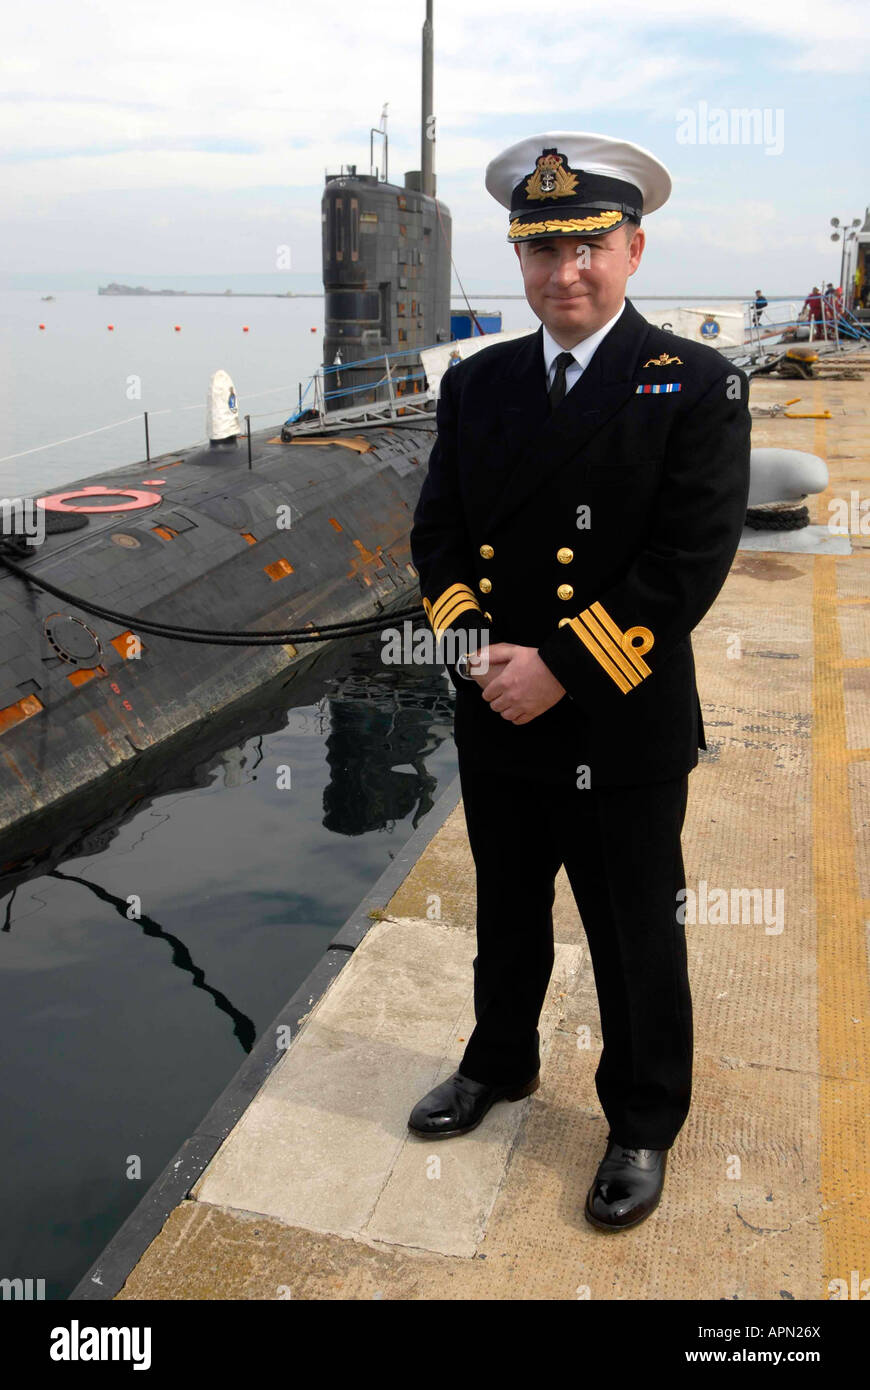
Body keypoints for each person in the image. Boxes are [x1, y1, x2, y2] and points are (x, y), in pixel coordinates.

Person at [408, 132, 751, 1232]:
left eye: (588, 247)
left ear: (634, 249)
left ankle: (643, 1118)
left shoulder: (695, 384)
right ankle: (498, 1062)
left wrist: (559, 666)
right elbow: (441, 534)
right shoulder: (480, 383)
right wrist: (475, 649)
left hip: (621, 716)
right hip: (499, 705)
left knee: (633, 928)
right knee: (505, 911)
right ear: (520, 259)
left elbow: (686, 563)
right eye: (542, 250)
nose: (565, 273)